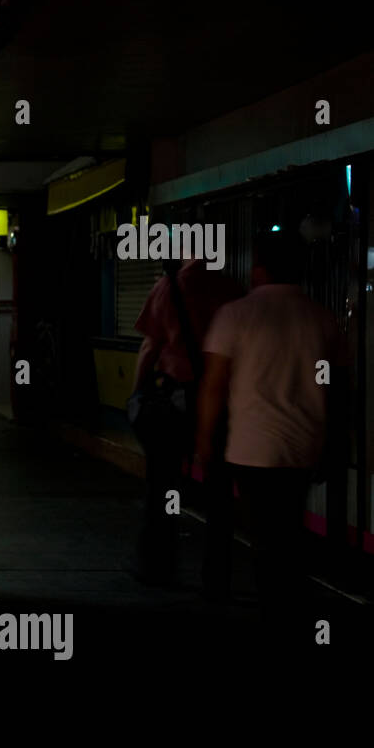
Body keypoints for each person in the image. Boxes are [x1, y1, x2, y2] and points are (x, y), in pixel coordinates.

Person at [197, 230, 344, 627]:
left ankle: (273, 609)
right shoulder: (322, 318)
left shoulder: (235, 315)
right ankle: (291, 605)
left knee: (263, 537)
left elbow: (214, 385)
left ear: (259, 268)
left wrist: (204, 441)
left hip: (251, 447)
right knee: (289, 530)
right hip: (303, 446)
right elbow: (331, 382)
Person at [130, 251, 242, 592]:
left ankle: (160, 567)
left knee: (163, 485)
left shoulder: (167, 287)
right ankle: (217, 575)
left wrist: (137, 392)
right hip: (220, 400)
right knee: (219, 492)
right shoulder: (231, 290)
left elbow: (150, 346)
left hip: (173, 399)